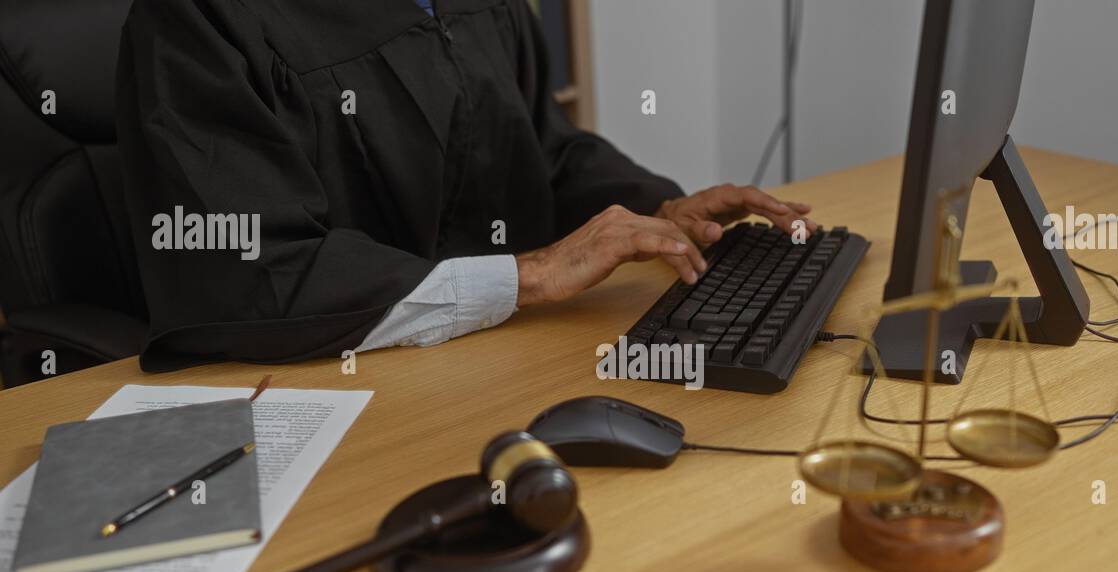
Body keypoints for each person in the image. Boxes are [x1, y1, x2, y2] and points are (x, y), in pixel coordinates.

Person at [116, 0, 815, 371]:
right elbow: (253, 271)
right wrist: (532, 275)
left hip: (501, 364)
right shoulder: (202, 18)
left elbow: (540, 149)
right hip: (339, 389)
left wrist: (655, 209)